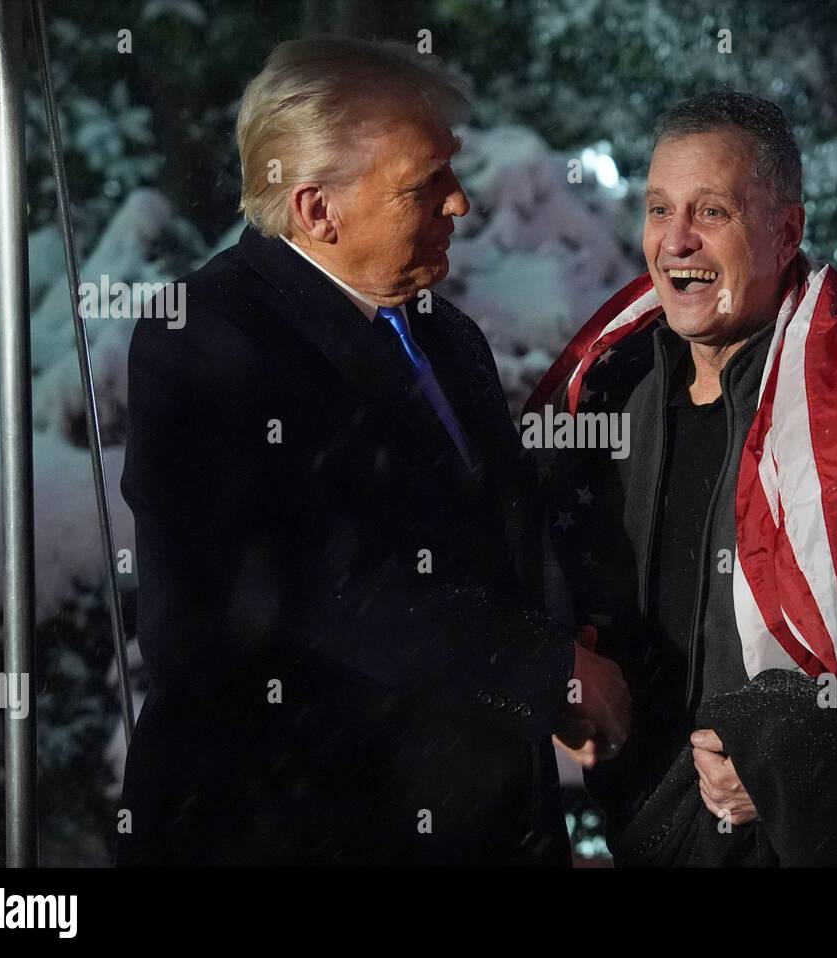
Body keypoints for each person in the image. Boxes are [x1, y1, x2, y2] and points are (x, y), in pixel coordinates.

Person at [117, 35, 629, 866]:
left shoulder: (447, 334)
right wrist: (546, 669)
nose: (460, 204)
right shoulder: (204, 335)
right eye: (426, 186)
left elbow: (497, 550)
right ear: (317, 208)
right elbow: (312, 587)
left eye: (451, 172)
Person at [533, 91, 837, 866]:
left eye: (713, 212)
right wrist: (556, 673)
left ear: (786, 230)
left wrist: (788, 755)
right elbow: (534, 586)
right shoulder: (601, 397)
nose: (676, 241)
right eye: (660, 209)